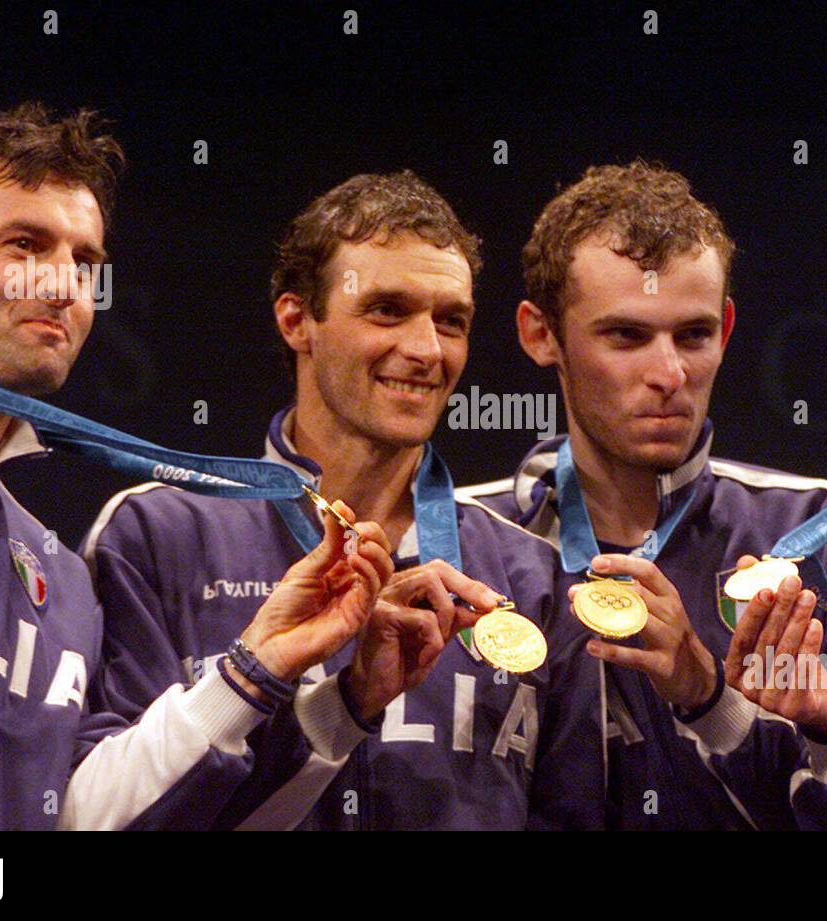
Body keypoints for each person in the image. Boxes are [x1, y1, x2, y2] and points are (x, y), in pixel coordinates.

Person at [0, 102, 395, 830]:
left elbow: (77, 816)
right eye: (24, 245)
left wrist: (253, 667)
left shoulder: (58, 582)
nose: (63, 287)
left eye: (84, 263)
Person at [85, 170, 571, 830]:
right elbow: (101, 818)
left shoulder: (528, 571)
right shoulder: (159, 535)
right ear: (296, 320)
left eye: (450, 320)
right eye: (387, 310)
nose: (427, 349)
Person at [468, 160, 827, 829]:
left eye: (693, 335)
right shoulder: (471, 546)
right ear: (541, 334)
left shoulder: (823, 533)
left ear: (727, 329)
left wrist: (714, 698)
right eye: (626, 335)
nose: (668, 373)